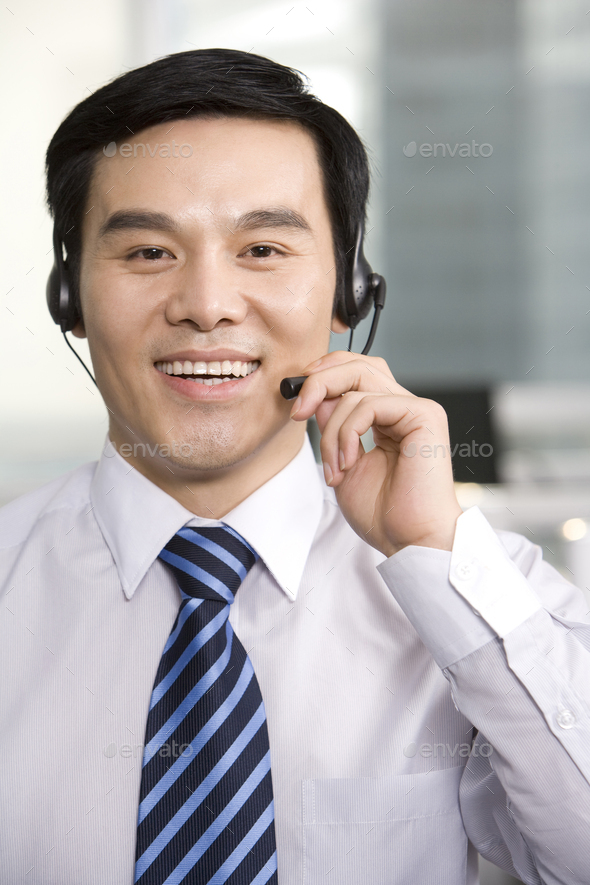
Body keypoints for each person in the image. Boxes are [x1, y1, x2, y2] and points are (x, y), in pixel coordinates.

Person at [0, 48, 588, 885]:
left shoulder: (477, 594)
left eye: (264, 249)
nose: (206, 303)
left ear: (351, 291)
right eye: (146, 253)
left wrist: (437, 553)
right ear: (72, 297)